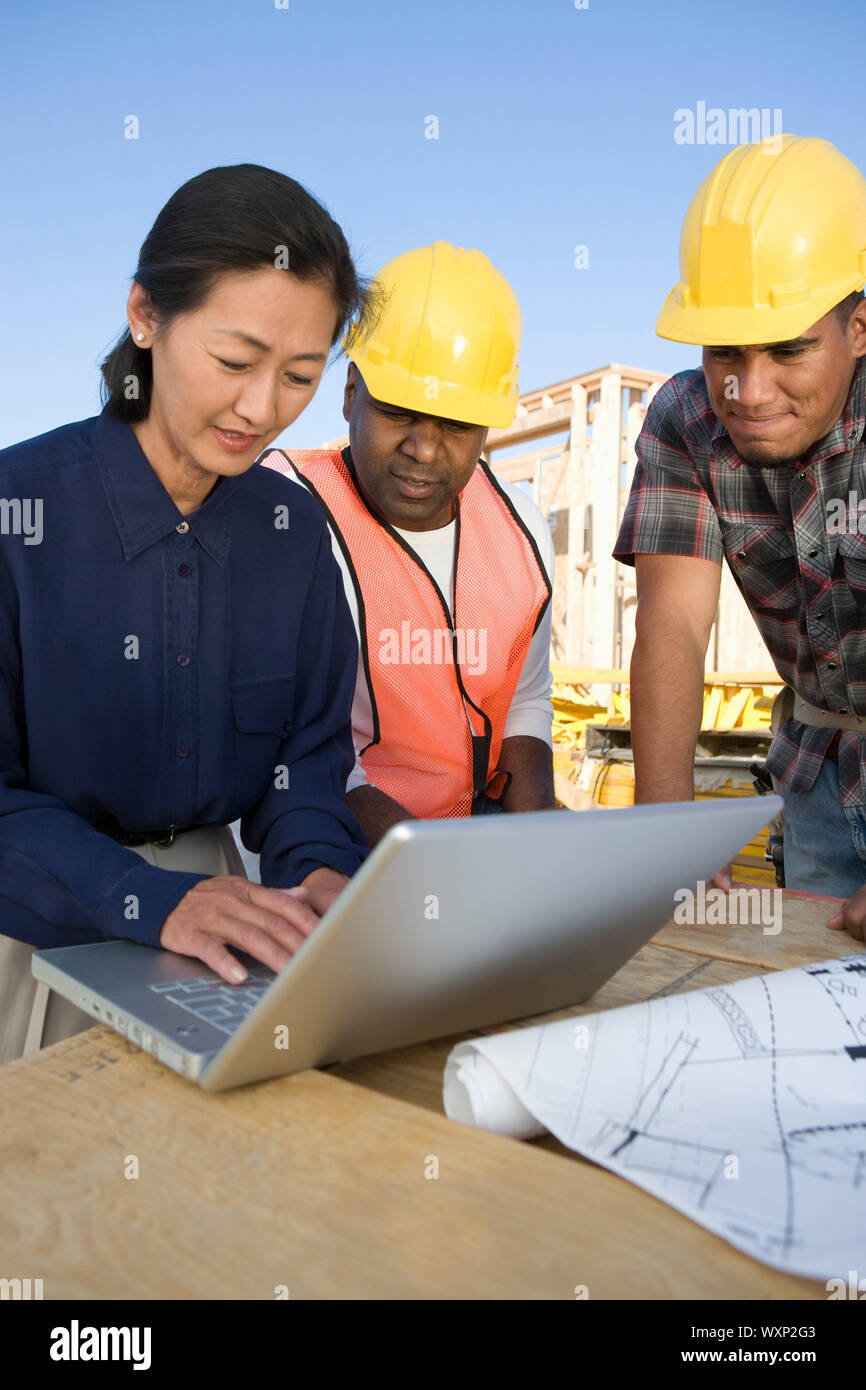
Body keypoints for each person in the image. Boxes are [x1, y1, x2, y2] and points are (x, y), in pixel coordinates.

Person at [0, 163, 375, 1063]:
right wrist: (145, 897)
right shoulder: (18, 514)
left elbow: (309, 759)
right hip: (30, 932)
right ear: (145, 317)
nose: (260, 409)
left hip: (234, 930)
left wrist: (319, 867)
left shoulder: (293, 536)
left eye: (299, 375)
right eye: (235, 362)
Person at [613, 134, 866, 942]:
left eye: (789, 349)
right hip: (817, 777)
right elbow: (675, 625)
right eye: (725, 350)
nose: (747, 392)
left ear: (859, 327)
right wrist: (663, 836)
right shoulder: (683, 421)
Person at [261, 241, 556, 847]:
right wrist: (432, 874)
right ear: (350, 395)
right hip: (327, 841)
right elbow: (289, 742)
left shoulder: (520, 528)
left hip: (463, 843)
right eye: (399, 412)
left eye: (454, 424)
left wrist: (540, 857)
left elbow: (526, 703)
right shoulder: (286, 508)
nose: (424, 449)